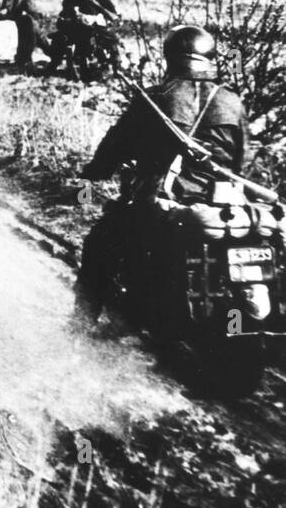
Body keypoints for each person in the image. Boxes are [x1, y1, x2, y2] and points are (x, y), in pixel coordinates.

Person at [77, 25, 248, 312]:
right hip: (219, 208)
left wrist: (95, 172)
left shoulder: (155, 97)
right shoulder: (232, 101)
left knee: (100, 243)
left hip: (164, 202)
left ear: (170, 57)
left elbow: (115, 146)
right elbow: (239, 162)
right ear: (209, 58)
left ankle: (80, 331)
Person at [48, 0, 120, 77]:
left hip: (94, 21)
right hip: (77, 21)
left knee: (111, 38)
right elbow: (66, 5)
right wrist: (74, 11)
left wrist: (96, 5)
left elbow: (109, 6)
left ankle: (114, 66)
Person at [0, 0, 50, 66]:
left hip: (28, 23)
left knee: (31, 46)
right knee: (42, 44)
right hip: (31, 23)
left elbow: (7, 9)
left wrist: (1, 13)